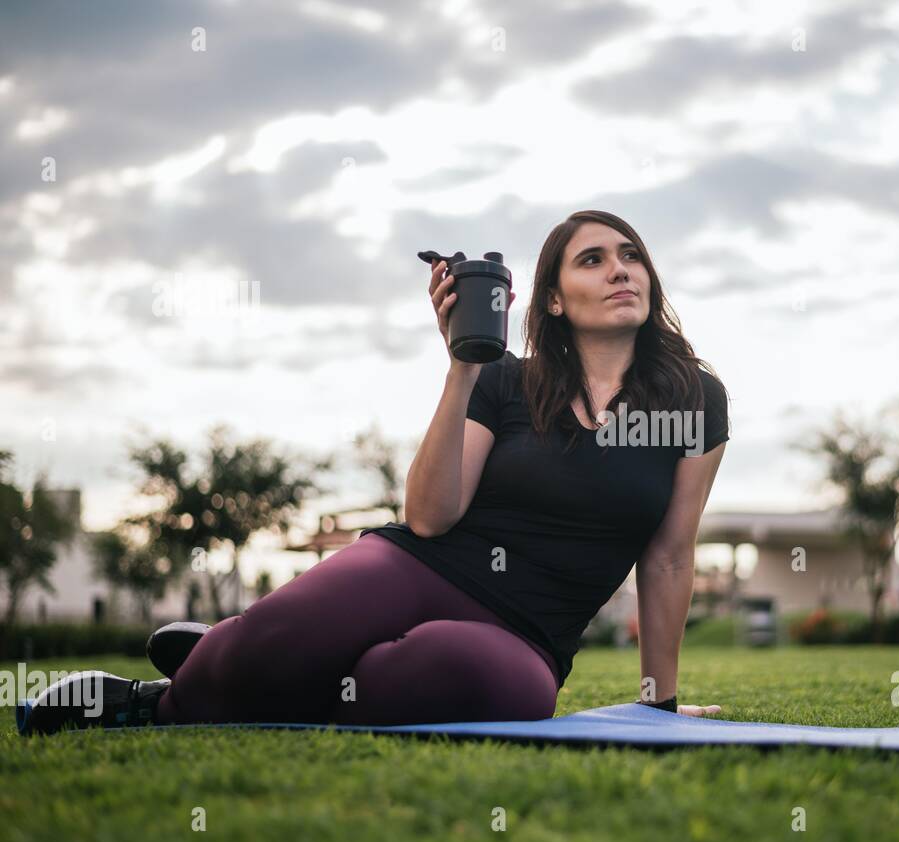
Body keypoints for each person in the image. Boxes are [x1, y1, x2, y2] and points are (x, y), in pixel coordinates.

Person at [23, 210, 730, 735]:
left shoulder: (695, 401)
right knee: (280, 637)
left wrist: (658, 704)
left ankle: (242, 659)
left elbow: (668, 557)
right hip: (420, 567)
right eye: (593, 260)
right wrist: (461, 370)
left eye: (631, 256)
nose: (620, 270)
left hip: (526, 637)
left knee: (446, 675)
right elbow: (430, 517)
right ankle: (163, 699)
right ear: (552, 299)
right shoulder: (506, 381)